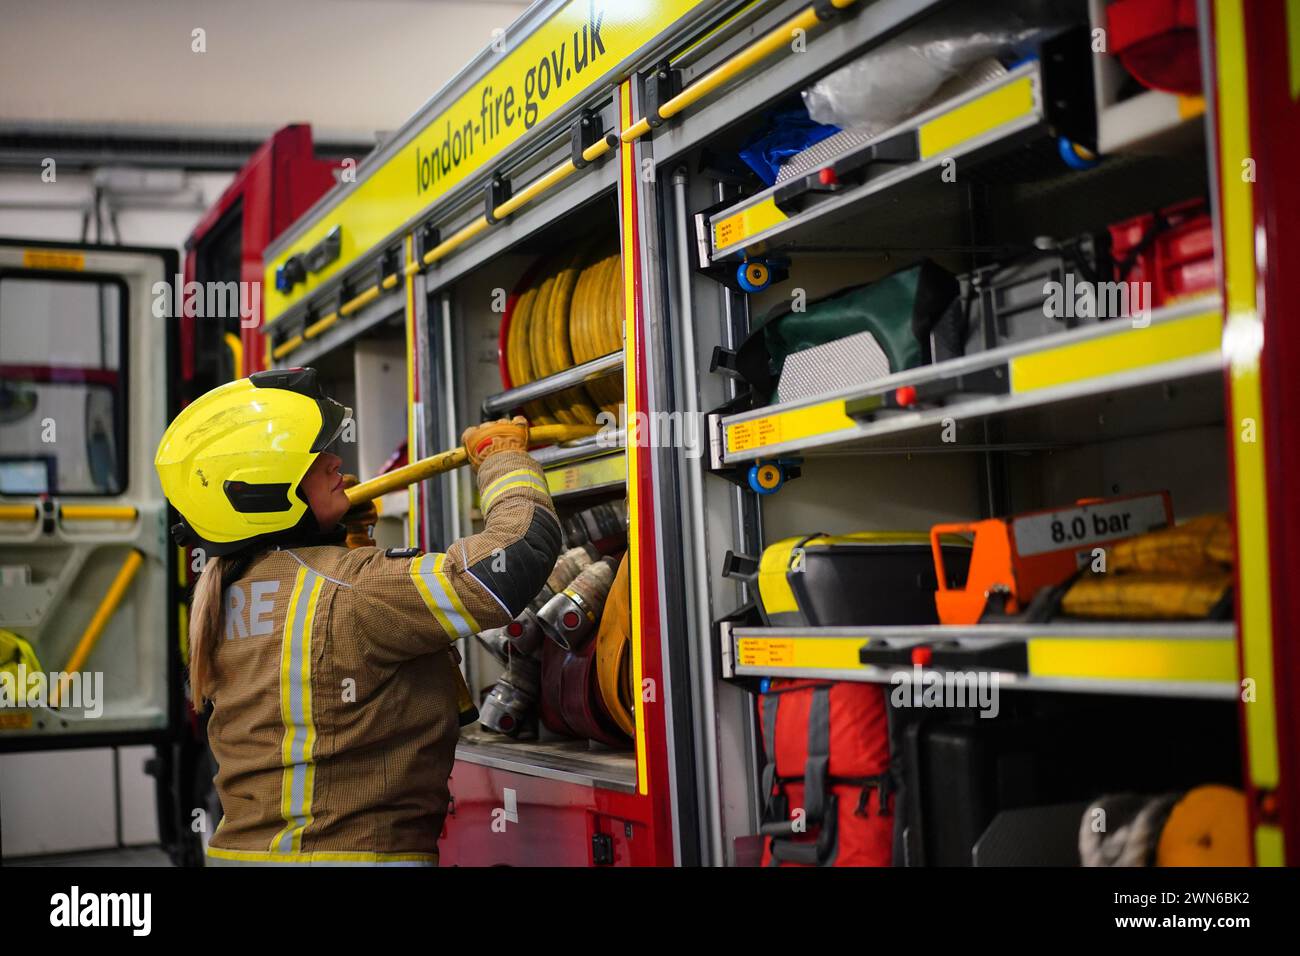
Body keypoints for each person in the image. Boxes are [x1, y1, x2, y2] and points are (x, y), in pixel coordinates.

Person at [154, 368, 560, 866]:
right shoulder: (350, 586)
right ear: (260, 491)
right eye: (313, 456)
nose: (336, 461)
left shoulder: (228, 594)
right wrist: (505, 461)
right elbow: (514, 558)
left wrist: (340, 538)